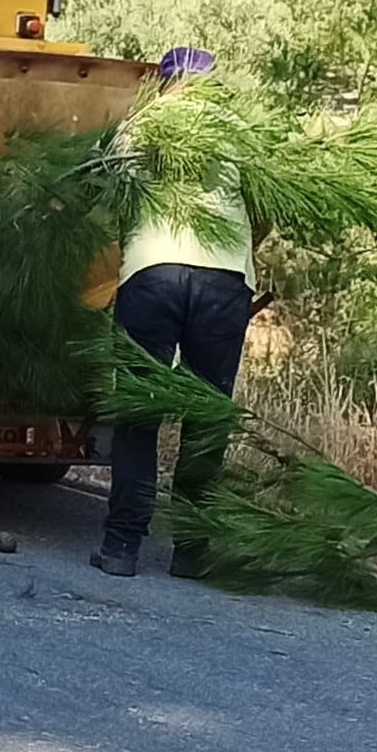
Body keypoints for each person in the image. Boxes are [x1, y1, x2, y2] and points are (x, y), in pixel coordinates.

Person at [94, 46, 262, 579]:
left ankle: (122, 548)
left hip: (152, 274)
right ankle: (190, 552)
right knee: (206, 415)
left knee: (140, 414)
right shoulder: (242, 132)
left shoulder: (140, 127)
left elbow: (109, 198)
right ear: (212, 84)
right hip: (223, 281)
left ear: (163, 83)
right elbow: (266, 209)